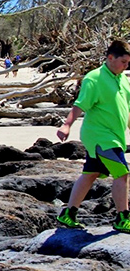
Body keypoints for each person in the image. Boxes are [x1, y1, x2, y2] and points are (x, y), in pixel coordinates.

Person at [56, 40, 130, 233]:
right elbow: (80, 104)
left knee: (90, 174)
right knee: (122, 174)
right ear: (110, 57)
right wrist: (66, 125)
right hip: (100, 137)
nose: (125, 66)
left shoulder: (123, 80)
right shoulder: (94, 78)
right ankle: (123, 218)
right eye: (123, 62)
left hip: (114, 136)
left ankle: (68, 214)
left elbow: (126, 110)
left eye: (128, 63)